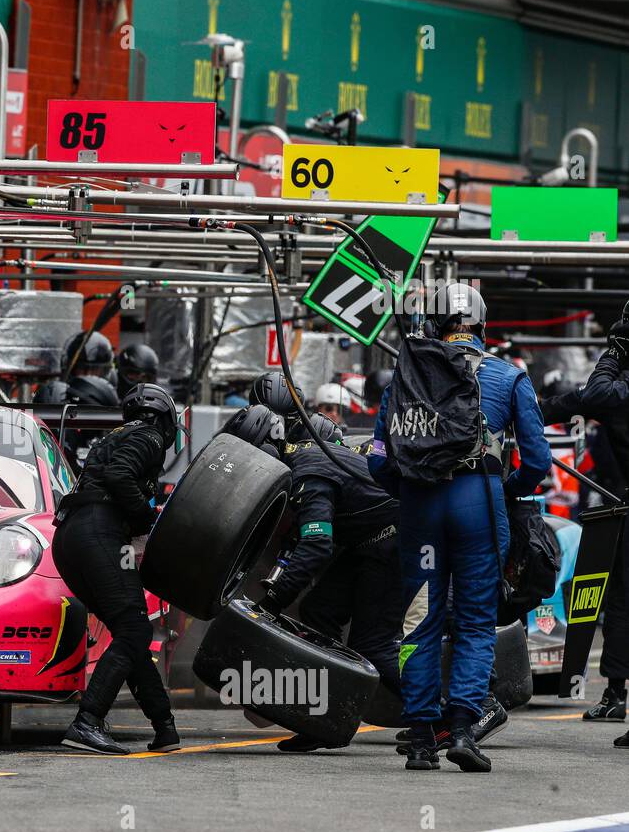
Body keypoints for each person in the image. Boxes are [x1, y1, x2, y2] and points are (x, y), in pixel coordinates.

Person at [369, 283, 550, 772]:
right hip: (479, 503)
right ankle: (465, 729)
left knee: (419, 621)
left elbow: (379, 461)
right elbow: (538, 462)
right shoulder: (509, 377)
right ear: (482, 326)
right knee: (474, 620)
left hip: (421, 507)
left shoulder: (405, 379)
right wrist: (504, 489)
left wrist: (409, 490)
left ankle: (423, 737)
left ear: (433, 324)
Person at [223, 405, 403, 752]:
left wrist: (272, 605)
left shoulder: (307, 472)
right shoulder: (305, 457)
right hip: (371, 542)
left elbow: (317, 545)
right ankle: (324, 721)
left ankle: (457, 713)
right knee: (320, 610)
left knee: (373, 646)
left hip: (395, 543)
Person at [55, 383, 180, 755]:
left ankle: (164, 726)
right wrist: (149, 515)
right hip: (97, 531)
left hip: (71, 537)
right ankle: (87, 722)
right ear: (164, 417)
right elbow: (121, 478)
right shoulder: (150, 435)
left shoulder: (116, 436)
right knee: (134, 628)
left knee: (130, 633)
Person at [541, 308, 629, 730]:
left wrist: (613, 353)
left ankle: (615, 695)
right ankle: (615, 695)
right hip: (623, 503)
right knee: (620, 602)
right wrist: (522, 410)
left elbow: (596, 397)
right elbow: (574, 402)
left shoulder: (616, 387)